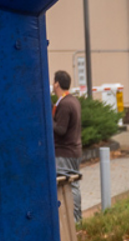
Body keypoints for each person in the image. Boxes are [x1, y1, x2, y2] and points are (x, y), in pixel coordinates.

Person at [52, 70, 82, 224]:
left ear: (57, 83)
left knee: (70, 185)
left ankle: (74, 220)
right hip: (74, 150)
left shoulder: (65, 104)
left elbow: (61, 129)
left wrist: (48, 121)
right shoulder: (72, 101)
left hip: (65, 151)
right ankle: (75, 219)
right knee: (73, 184)